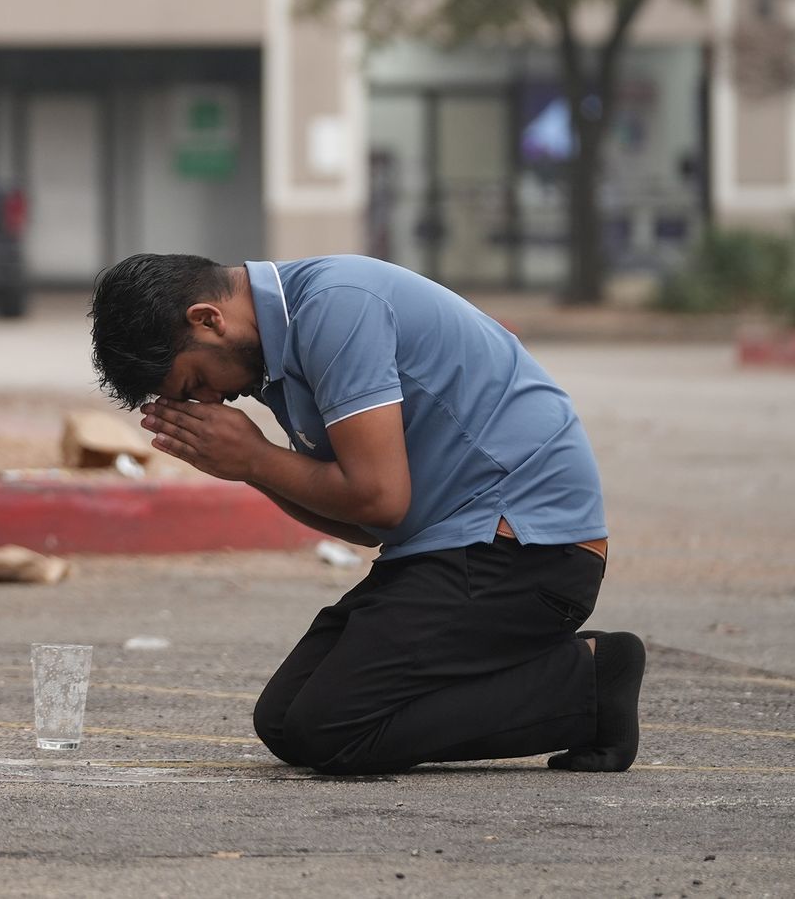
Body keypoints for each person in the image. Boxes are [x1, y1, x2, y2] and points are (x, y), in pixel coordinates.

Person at [89, 253, 643, 775]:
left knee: (330, 727)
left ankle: (590, 681)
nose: (211, 402)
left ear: (208, 320)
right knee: (284, 719)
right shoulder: (285, 349)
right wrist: (251, 469)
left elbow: (379, 499)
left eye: (196, 384)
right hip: (448, 548)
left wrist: (257, 458)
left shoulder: (336, 307)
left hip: (525, 550)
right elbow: (373, 523)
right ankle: (539, 669)